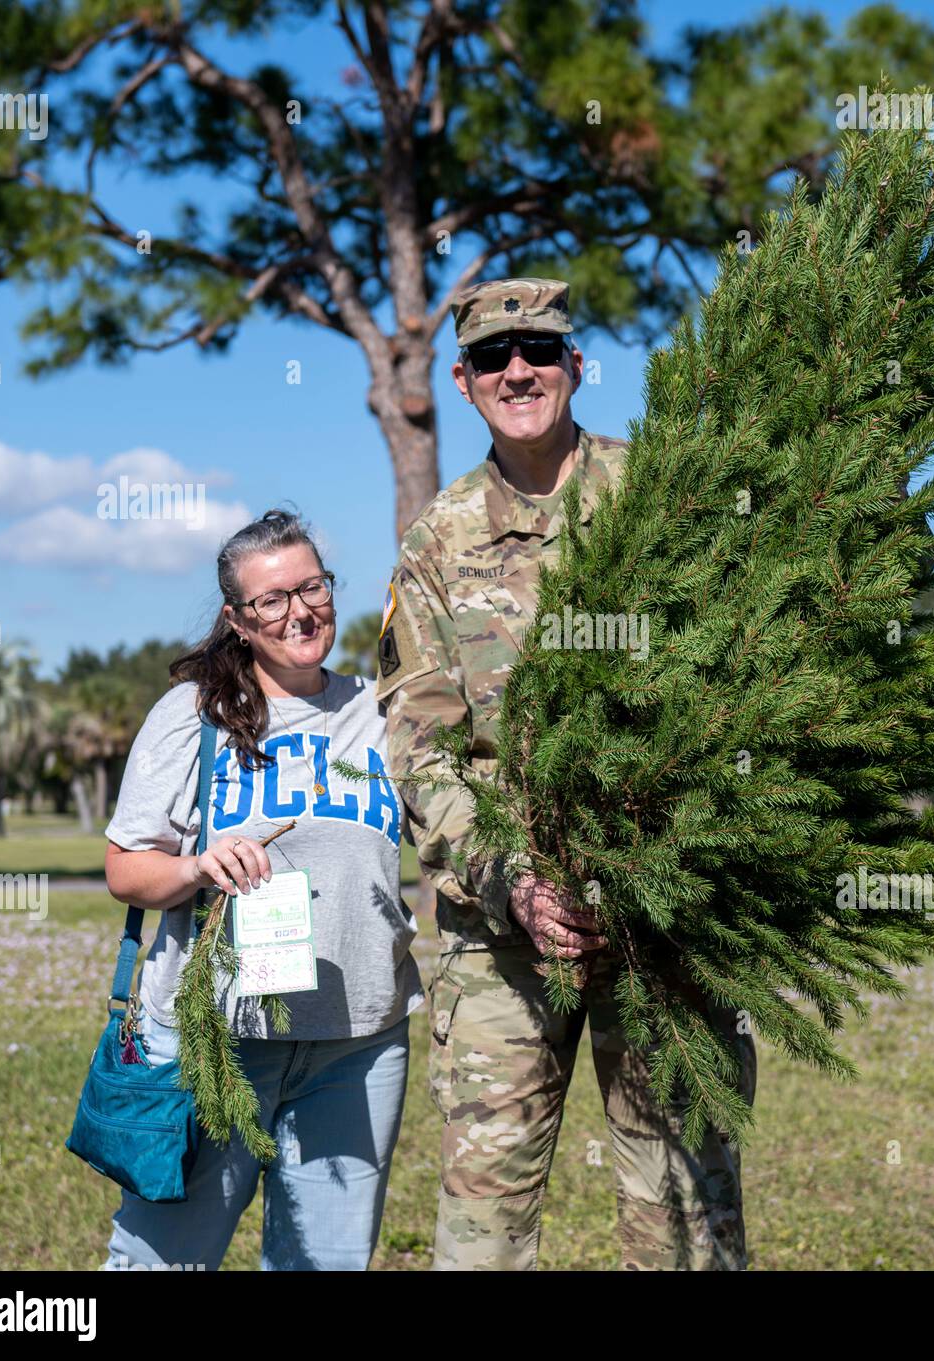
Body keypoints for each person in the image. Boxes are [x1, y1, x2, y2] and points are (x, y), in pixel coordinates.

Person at [377, 278, 756, 1271]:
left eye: (539, 349)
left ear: (576, 366)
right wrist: (516, 879)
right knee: (483, 1225)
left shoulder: (666, 495)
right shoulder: (436, 540)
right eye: (495, 356)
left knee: (682, 1209)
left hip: (661, 911)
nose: (519, 370)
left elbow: (742, 675)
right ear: (460, 382)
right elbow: (420, 746)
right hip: (499, 931)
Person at [101, 508, 421, 1270]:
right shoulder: (193, 716)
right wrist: (194, 867)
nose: (299, 611)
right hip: (214, 1039)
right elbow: (124, 867)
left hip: (358, 1045)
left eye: (311, 587)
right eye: (271, 599)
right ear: (237, 618)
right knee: (160, 1263)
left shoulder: (380, 712)